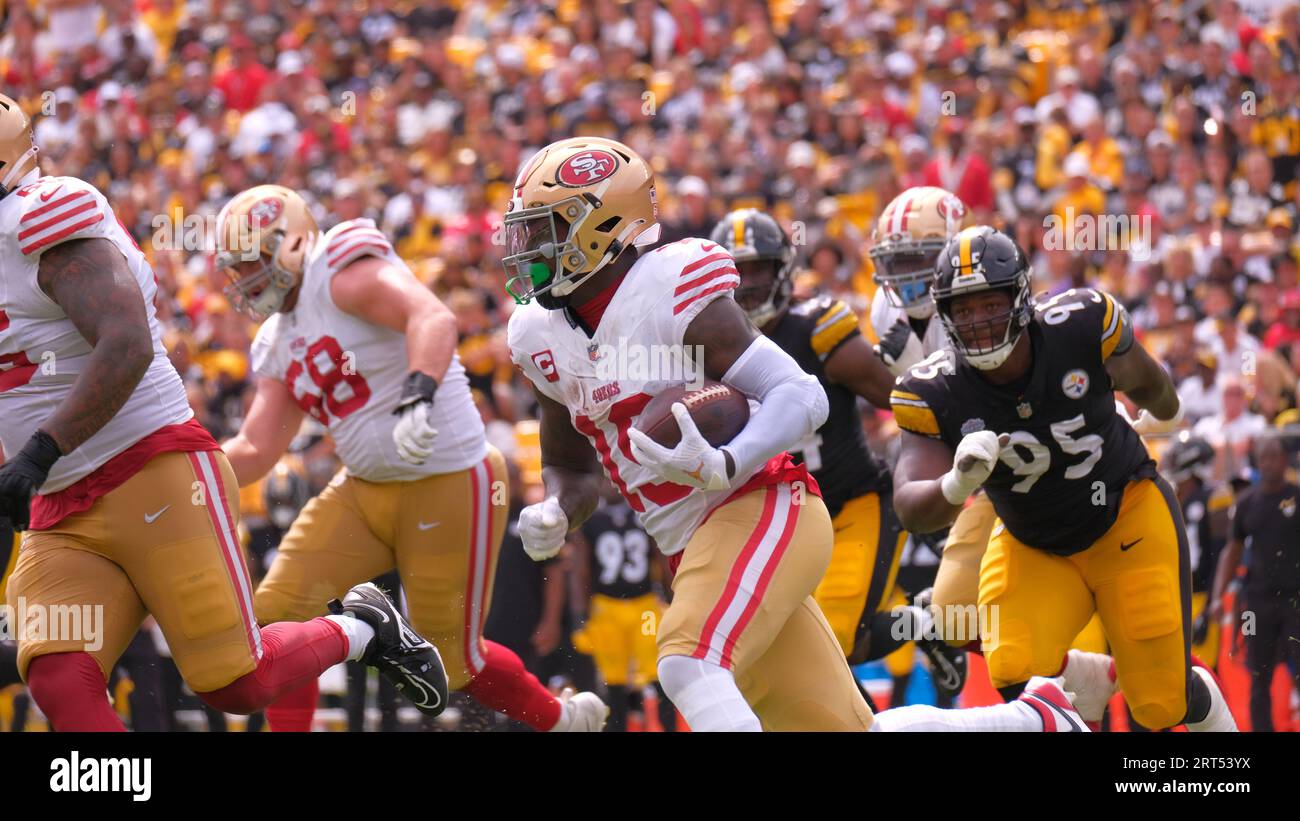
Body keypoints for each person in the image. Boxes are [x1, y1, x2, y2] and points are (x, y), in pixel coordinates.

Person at [505, 136, 1094, 732]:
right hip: (690, 544)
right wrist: (556, 507)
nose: (531, 246)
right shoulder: (537, 334)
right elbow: (571, 466)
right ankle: (1036, 720)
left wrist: (727, 462)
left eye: (547, 227)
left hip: (761, 504)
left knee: (686, 661)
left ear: (603, 225)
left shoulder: (665, 285)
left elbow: (801, 395)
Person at [0, 93, 446, 731]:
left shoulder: (37, 218)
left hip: (148, 468)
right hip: (58, 505)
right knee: (56, 677)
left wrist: (38, 451)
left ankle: (361, 629)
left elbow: (126, 342)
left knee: (235, 682)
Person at [214, 183, 606, 732]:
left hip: (447, 478)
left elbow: (433, 318)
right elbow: (256, 447)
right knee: (276, 616)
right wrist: (188, 478)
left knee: (451, 660)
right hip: (364, 488)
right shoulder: (277, 337)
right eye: (238, 268)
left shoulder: (341, 270)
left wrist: (419, 391)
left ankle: (559, 719)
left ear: (293, 243)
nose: (245, 279)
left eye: (253, 261)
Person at [890, 225, 1236, 731]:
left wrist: (1161, 408)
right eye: (963, 309)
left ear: (1021, 296)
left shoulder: (1079, 325)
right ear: (945, 315)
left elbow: (1154, 386)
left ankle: (1214, 725)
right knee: (1014, 668)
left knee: (1162, 704)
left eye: (989, 303)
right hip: (1032, 537)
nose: (978, 321)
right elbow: (908, 503)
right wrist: (955, 486)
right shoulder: (933, 389)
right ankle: (1086, 679)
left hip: (1124, 515)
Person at [709, 207, 966, 695]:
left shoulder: (815, 325)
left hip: (852, 504)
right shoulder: (705, 347)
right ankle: (924, 625)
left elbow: (896, 398)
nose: (746, 284)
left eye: (757, 269)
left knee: (839, 639)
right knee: (789, 650)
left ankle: (928, 623)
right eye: (736, 273)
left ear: (782, 268)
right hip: (780, 521)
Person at [1210, 435, 1300, 731]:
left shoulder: (1296, 497)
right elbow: (1231, 551)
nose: (1269, 463)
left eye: (1274, 456)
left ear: (1285, 460)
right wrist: (1216, 596)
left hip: (1294, 600)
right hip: (1256, 603)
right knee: (1259, 676)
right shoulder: (1248, 502)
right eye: (1263, 457)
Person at [570, 482, 675, 732]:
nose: (608, 484)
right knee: (614, 679)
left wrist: (673, 598)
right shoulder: (591, 520)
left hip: (644, 606)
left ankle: (668, 727)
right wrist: (579, 613)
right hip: (609, 609)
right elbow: (581, 570)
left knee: (658, 673)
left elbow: (660, 557)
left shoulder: (643, 513)